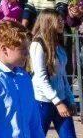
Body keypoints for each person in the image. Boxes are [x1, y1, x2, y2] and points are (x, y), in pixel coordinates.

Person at [0, 20, 43, 138]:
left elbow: (34, 124)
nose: (27, 53)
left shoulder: (24, 77)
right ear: (4, 49)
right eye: (22, 49)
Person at [29, 10, 76, 138]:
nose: (62, 23)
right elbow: (40, 78)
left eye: (62, 20)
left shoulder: (57, 43)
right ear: (49, 22)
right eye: (58, 21)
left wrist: (70, 98)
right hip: (43, 101)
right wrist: (57, 102)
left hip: (61, 98)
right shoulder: (38, 44)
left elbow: (62, 74)